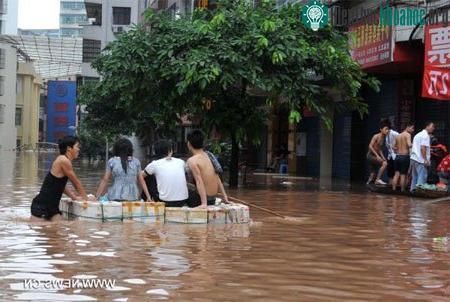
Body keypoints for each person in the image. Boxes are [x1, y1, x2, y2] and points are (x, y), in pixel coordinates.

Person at [30, 136, 93, 222]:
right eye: (77, 146)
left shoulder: (63, 160)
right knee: (46, 231)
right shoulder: (64, 161)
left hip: (52, 207)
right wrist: (87, 200)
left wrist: (74, 197)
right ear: (69, 148)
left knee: (61, 228)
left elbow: (60, 185)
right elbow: (76, 183)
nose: (79, 149)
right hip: (42, 206)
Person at [186, 130, 229, 208]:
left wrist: (204, 203)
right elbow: (217, 177)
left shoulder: (192, 161)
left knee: (183, 184)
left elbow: (199, 181)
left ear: (189, 144)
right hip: (212, 199)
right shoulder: (209, 155)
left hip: (199, 200)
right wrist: (224, 197)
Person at [139, 140, 189, 207]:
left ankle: (148, 199)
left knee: (148, 175)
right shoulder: (181, 162)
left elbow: (140, 176)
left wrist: (148, 196)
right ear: (170, 151)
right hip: (183, 199)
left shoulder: (154, 164)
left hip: (165, 201)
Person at [410, 121, 435, 192]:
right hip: (420, 160)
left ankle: (412, 194)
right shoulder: (425, 136)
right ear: (427, 126)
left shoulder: (417, 135)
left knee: (414, 178)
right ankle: (419, 195)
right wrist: (425, 160)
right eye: (432, 126)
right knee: (421, 178)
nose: (433, 128)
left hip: (414, 159)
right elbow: (422, 148)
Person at [366, 119, 390, 185]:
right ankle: (378, 179)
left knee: (372, 174)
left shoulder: (384, 137)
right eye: (386, 129)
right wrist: (377, 156)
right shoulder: (376, 136)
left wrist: (383, 157)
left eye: (388, 129)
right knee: (384, 164)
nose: (387, 131)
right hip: (370, 155)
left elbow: (379, 149)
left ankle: (367, 186)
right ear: (381, 129)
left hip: (375, 155)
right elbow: (370, 146)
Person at [392, 122, 414, 191]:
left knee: (396, 174)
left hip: (397, 157)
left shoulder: (398, 135)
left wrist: (398, 149)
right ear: (407, 127)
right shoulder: (408, 135)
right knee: (403, 175)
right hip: (404, 157)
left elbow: (393, 146)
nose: (413, 130)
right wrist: (415, 144)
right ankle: (402, 190)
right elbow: (409, 145)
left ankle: (393, 189)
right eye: (412, 128)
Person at [384, 120, 399, 185]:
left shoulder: (394, 133)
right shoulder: (386, 136)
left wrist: (397, 147)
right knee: (390, 173)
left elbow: (400, 141)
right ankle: (390, 186)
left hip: (396, 156)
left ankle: (395, 187)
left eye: (385, 128)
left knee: (396, 172)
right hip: (390, 156)